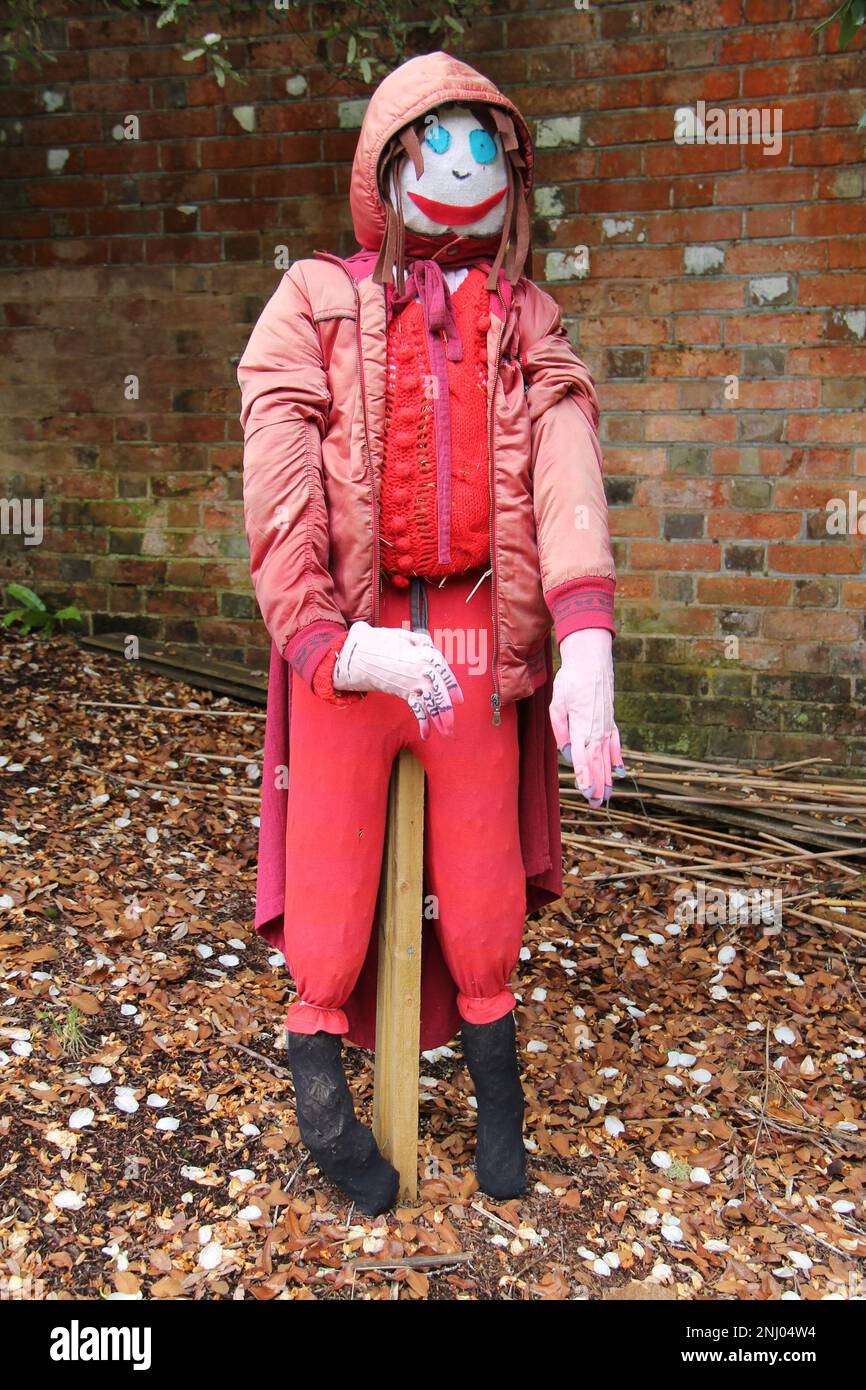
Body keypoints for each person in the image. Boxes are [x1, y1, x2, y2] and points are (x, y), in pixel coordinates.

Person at [238, 51, 623, 1215]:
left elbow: (562, 454)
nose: (461, 168)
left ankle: (499, 1103)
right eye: (436, 145)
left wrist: (585, 635)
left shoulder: (524, 317)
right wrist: (326, 639)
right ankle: (322, 1101)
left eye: (481, 148)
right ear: (388, 162)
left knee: (483, 879)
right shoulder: (315, 298)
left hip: (474, 640)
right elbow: (279, 460)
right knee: (330, 879)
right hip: (353, 646)